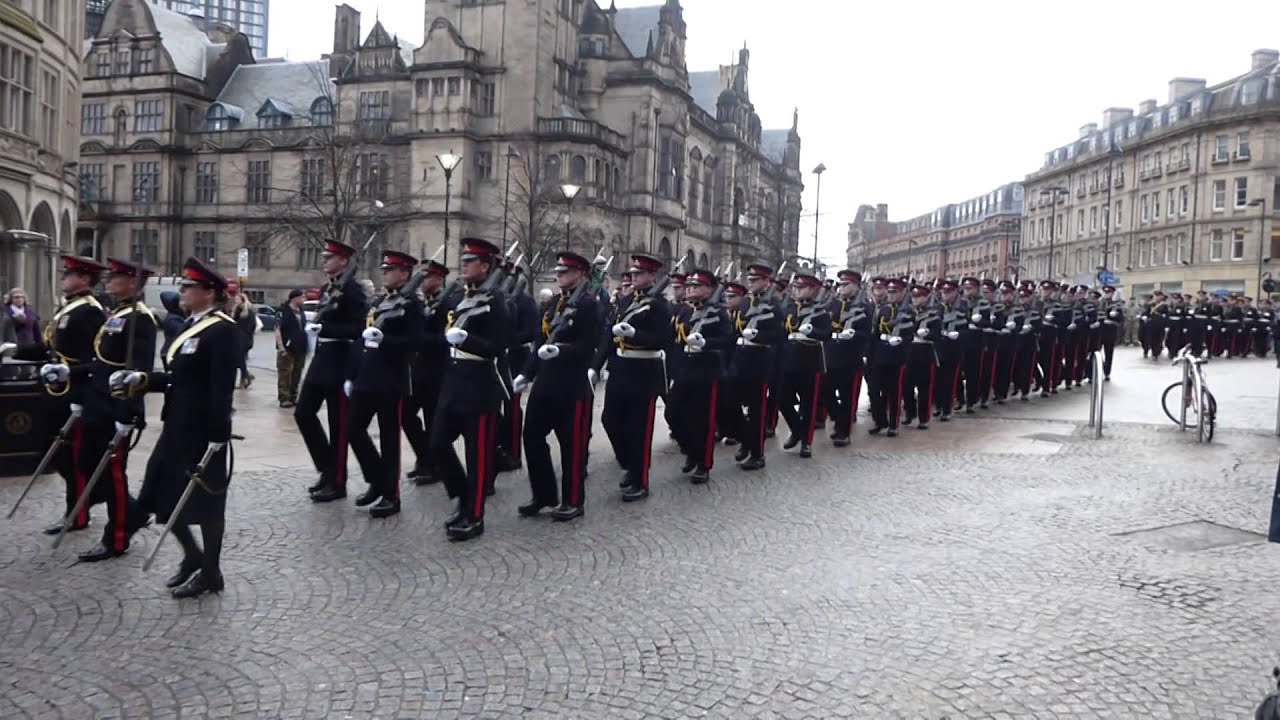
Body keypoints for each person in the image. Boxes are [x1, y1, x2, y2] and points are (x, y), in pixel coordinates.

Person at [120, 257, 237, 598]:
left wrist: (219, 435)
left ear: (209, 293)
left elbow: (220, 388)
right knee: (161, 495)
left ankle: (211, 572)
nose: (182, 292)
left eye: (189, 287)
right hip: (177, 426)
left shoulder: (221, 330)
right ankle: (192, 556)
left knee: (209, 504)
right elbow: (178, 379)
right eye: (183, 286)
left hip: (202, 431)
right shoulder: (191, 326)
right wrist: (143, 379)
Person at [0, 256, 108, 534]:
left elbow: (95, 360)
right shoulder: (71, 308)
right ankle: (114, 504)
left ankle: (78, 513)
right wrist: (15, 349)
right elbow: (49, 347)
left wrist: (69, 374)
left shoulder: (90, 312)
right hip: (57, 391)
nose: (64, 277)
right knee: (57, 452)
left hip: (75, 393)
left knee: (74, 457)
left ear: (85, 279)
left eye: (70, 273)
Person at [72, 258, 158, 562]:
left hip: (114, 409)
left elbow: (137, 370)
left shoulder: (140, 319)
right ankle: (133, 514)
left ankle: (117, 537)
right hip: (97, 403)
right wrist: (70, 374)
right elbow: (101, 363)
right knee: (89, 465)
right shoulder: (118, 313)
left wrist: (127, 411)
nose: (108, 280)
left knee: (112, 475)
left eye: (117, 277)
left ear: (133, 283)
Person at [432, 238, 509, 540]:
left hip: (480, 386)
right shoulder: (456, 297)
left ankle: (474, 515)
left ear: (486, 266)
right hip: (452, 383)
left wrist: (467, 340)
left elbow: (498, 346)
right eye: (463, 260)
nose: (463, 265)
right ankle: (463, 495)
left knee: (477, 456)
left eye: (470, 261)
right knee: (437, 444)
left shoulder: (496, 301)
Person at [513, 251, 600, 520]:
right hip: (545, 382)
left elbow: (589, 345)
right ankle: (544, 494)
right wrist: (526, 374)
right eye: (558, 272)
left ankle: (573, 500)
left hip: (571, 384)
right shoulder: (552, 305)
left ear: (580, 274)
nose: (559, 276)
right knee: (532, 437)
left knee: (571, 445)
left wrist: (562, 351)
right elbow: (540, 340)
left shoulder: (588, 305)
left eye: (564, 272)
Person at [345, 251, 425, 519]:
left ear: (405, 274)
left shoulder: (412, 303)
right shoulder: (379, 300)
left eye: (391, 270)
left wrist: (385, 340)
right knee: (352, 429)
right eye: (385, 269)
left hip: (392, 377)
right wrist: (352, 373)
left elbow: (416, 343)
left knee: (390, 439)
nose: (386, 273)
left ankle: (391, 495)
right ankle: (377, 479)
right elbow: (362, 340)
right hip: (366, 375)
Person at [297, 241, 367, 503]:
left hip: (340, 360)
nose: (324, 260)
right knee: (303, 413)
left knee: (339, 426)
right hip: (322, 360)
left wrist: (325, 330)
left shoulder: (353, 291)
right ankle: (327, 468)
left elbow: (357, 329)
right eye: (324, 256)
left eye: (329, 257)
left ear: (344, 262)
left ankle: (337, 482)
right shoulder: (330, 288)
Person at [601, 254, 672, 502]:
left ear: (653, 276)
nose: (634, 277)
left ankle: (640, 480)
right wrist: (595, 365)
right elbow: (609, 334)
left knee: (638, 429)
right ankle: (630, 463)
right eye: (633, 274)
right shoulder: (628, 301)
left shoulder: (660, 305)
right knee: (609, 419)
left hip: (644, 370)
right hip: (620, 367)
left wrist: (635, 333)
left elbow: (663, 340)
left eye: (640, 274)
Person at [667, 269, 733, 481]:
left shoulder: (719, 312)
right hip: (684, 369)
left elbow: (727, 339)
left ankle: (703, 464)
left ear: (709, 289)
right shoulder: (684, 312)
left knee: (702, 420)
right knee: (673, 414)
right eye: (688, 286)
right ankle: (690, 451)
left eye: (696, 286)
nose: (690, 290)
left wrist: (706, 344)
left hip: (706, 370)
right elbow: (674, 340)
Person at [403, 260, 452, 485]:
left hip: (437, 372)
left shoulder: (446, 304)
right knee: (406, 416)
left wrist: (419, 339)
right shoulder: (424, 303)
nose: (423, 282)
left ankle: (434, 466)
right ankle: (425, 457)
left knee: (433, 421)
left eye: (427, 278)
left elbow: (446, 338)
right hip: (418, 371)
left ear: (439, 279)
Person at [777, 273, 829, 456]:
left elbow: (826, 333)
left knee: (808, 405)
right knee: (781, 399)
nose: (797, 291)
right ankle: (797, 429)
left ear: (813, 289)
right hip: (788, 360)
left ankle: (806, 442)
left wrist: (812, 331)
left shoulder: (820, 310)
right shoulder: (789, 308)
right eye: (796, 288)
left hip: (809, 362)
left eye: (802, 288)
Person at [275, 289, 309, 407]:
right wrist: (281, 346)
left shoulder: (301, 311)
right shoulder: (283, 311)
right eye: (302, 297)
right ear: (294, 298)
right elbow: (277, 328)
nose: (304, 299)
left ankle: (293, 396)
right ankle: (284, 398)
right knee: (285, 373)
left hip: (300, 348)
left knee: (297, 373)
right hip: (287, 348)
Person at [225, 282, 257, 389]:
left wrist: (245, 335)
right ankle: (246, 378)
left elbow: (252, 325)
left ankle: (246, 377)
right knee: (239, 360)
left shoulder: (248, 311)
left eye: (238, 299)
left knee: (239, 359)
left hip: (244, 339)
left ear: (243, 300)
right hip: (237, 338)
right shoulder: (236, 310)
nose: (236, 300)